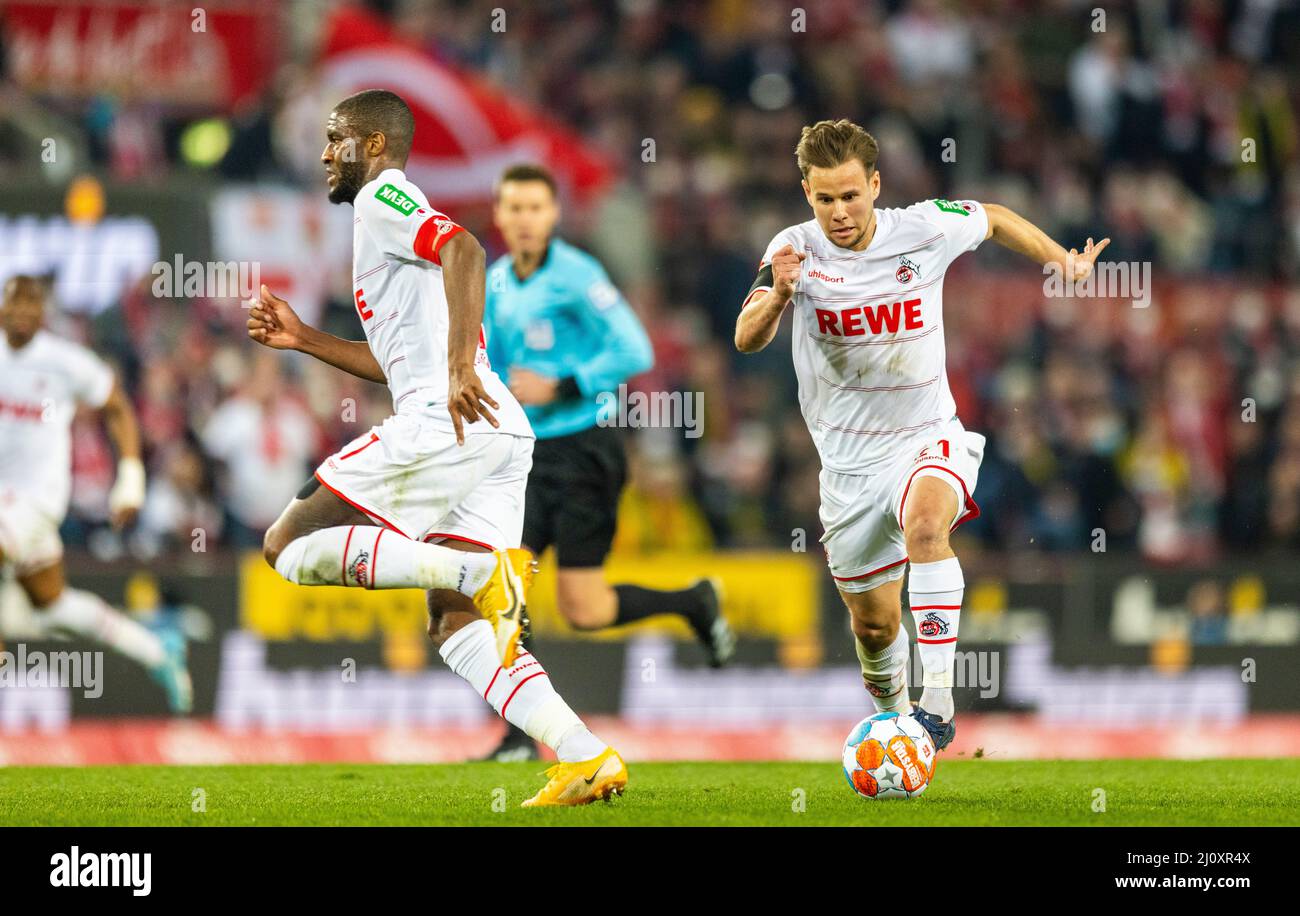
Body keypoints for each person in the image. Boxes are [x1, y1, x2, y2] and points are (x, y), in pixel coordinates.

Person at [247, 89, 626, 806]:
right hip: (497, 430)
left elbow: (465, 248)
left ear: (376, 145)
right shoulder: (382, 218)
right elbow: (396, 360)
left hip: (449, 417)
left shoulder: (381, 198)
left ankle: (485, 574)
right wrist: (303, 339)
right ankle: (586, 756)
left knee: (284, 544)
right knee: (453, 623)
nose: (327, 153)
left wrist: (455, 368)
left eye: (338, 138)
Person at [735, 119, 1109, 753]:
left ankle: (937, 705)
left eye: (851, 195)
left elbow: (990, 216)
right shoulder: (792, 249)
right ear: (807, 194)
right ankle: (896, 719)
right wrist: (779, 295)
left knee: (927, 527)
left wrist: (1060, 261)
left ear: (875, 185)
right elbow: (746, 337)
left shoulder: (923, 228)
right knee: (875, 628)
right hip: (849, 467)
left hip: (926, 434)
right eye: (825, 198)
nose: (840, 212)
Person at [478, 163, 736, 762]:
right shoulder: (491, 283)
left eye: (534, 208)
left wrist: (566, 384)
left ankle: (693, 602)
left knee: (583, 608)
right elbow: (484, 358)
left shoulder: (577, 275)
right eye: (512, 208)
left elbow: (633, 347)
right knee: (503, 585)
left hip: (584, 448)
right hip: (523, 455)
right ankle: (520, 735)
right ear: (499, 214)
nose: (523, 220)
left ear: (553, 216)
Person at [0, 275, 191, 712]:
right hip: (5, 501)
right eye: (15, 305)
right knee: (52, 606)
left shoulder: (64, 361)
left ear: (43, 314)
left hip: (38, 499)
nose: (24, 314)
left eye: (33, 306)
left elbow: (118, 406)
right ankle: (156, 650)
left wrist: (130, 476)